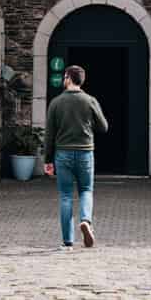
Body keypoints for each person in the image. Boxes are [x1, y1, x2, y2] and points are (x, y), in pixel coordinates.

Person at [42, 63, 108, 250]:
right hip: (86, 152)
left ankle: (67, 242)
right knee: (86, 190)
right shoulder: (90, 100)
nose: (64, 79)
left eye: (65, 77)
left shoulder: (56, 103)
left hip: (62, 154)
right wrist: (87, 125)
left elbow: (49, 135)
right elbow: (104, 127)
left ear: (69, 79)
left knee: (65, 196)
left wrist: (48, 160)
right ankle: (86, 221)